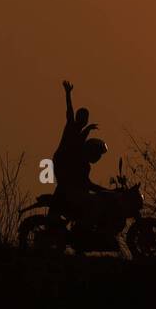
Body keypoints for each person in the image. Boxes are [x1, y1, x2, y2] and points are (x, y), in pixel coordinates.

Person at [54, 81, 109, 229]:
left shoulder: (80, 133)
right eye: (82, 117)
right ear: (79, 117)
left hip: (68, 163)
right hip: (61, 161)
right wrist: (68, 94)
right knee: (69, 187)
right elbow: (69, 111)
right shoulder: (72, 125)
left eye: (86, 118)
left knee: (78, 188)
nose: (84, 120)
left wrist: (88, 130)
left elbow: (81, 140)